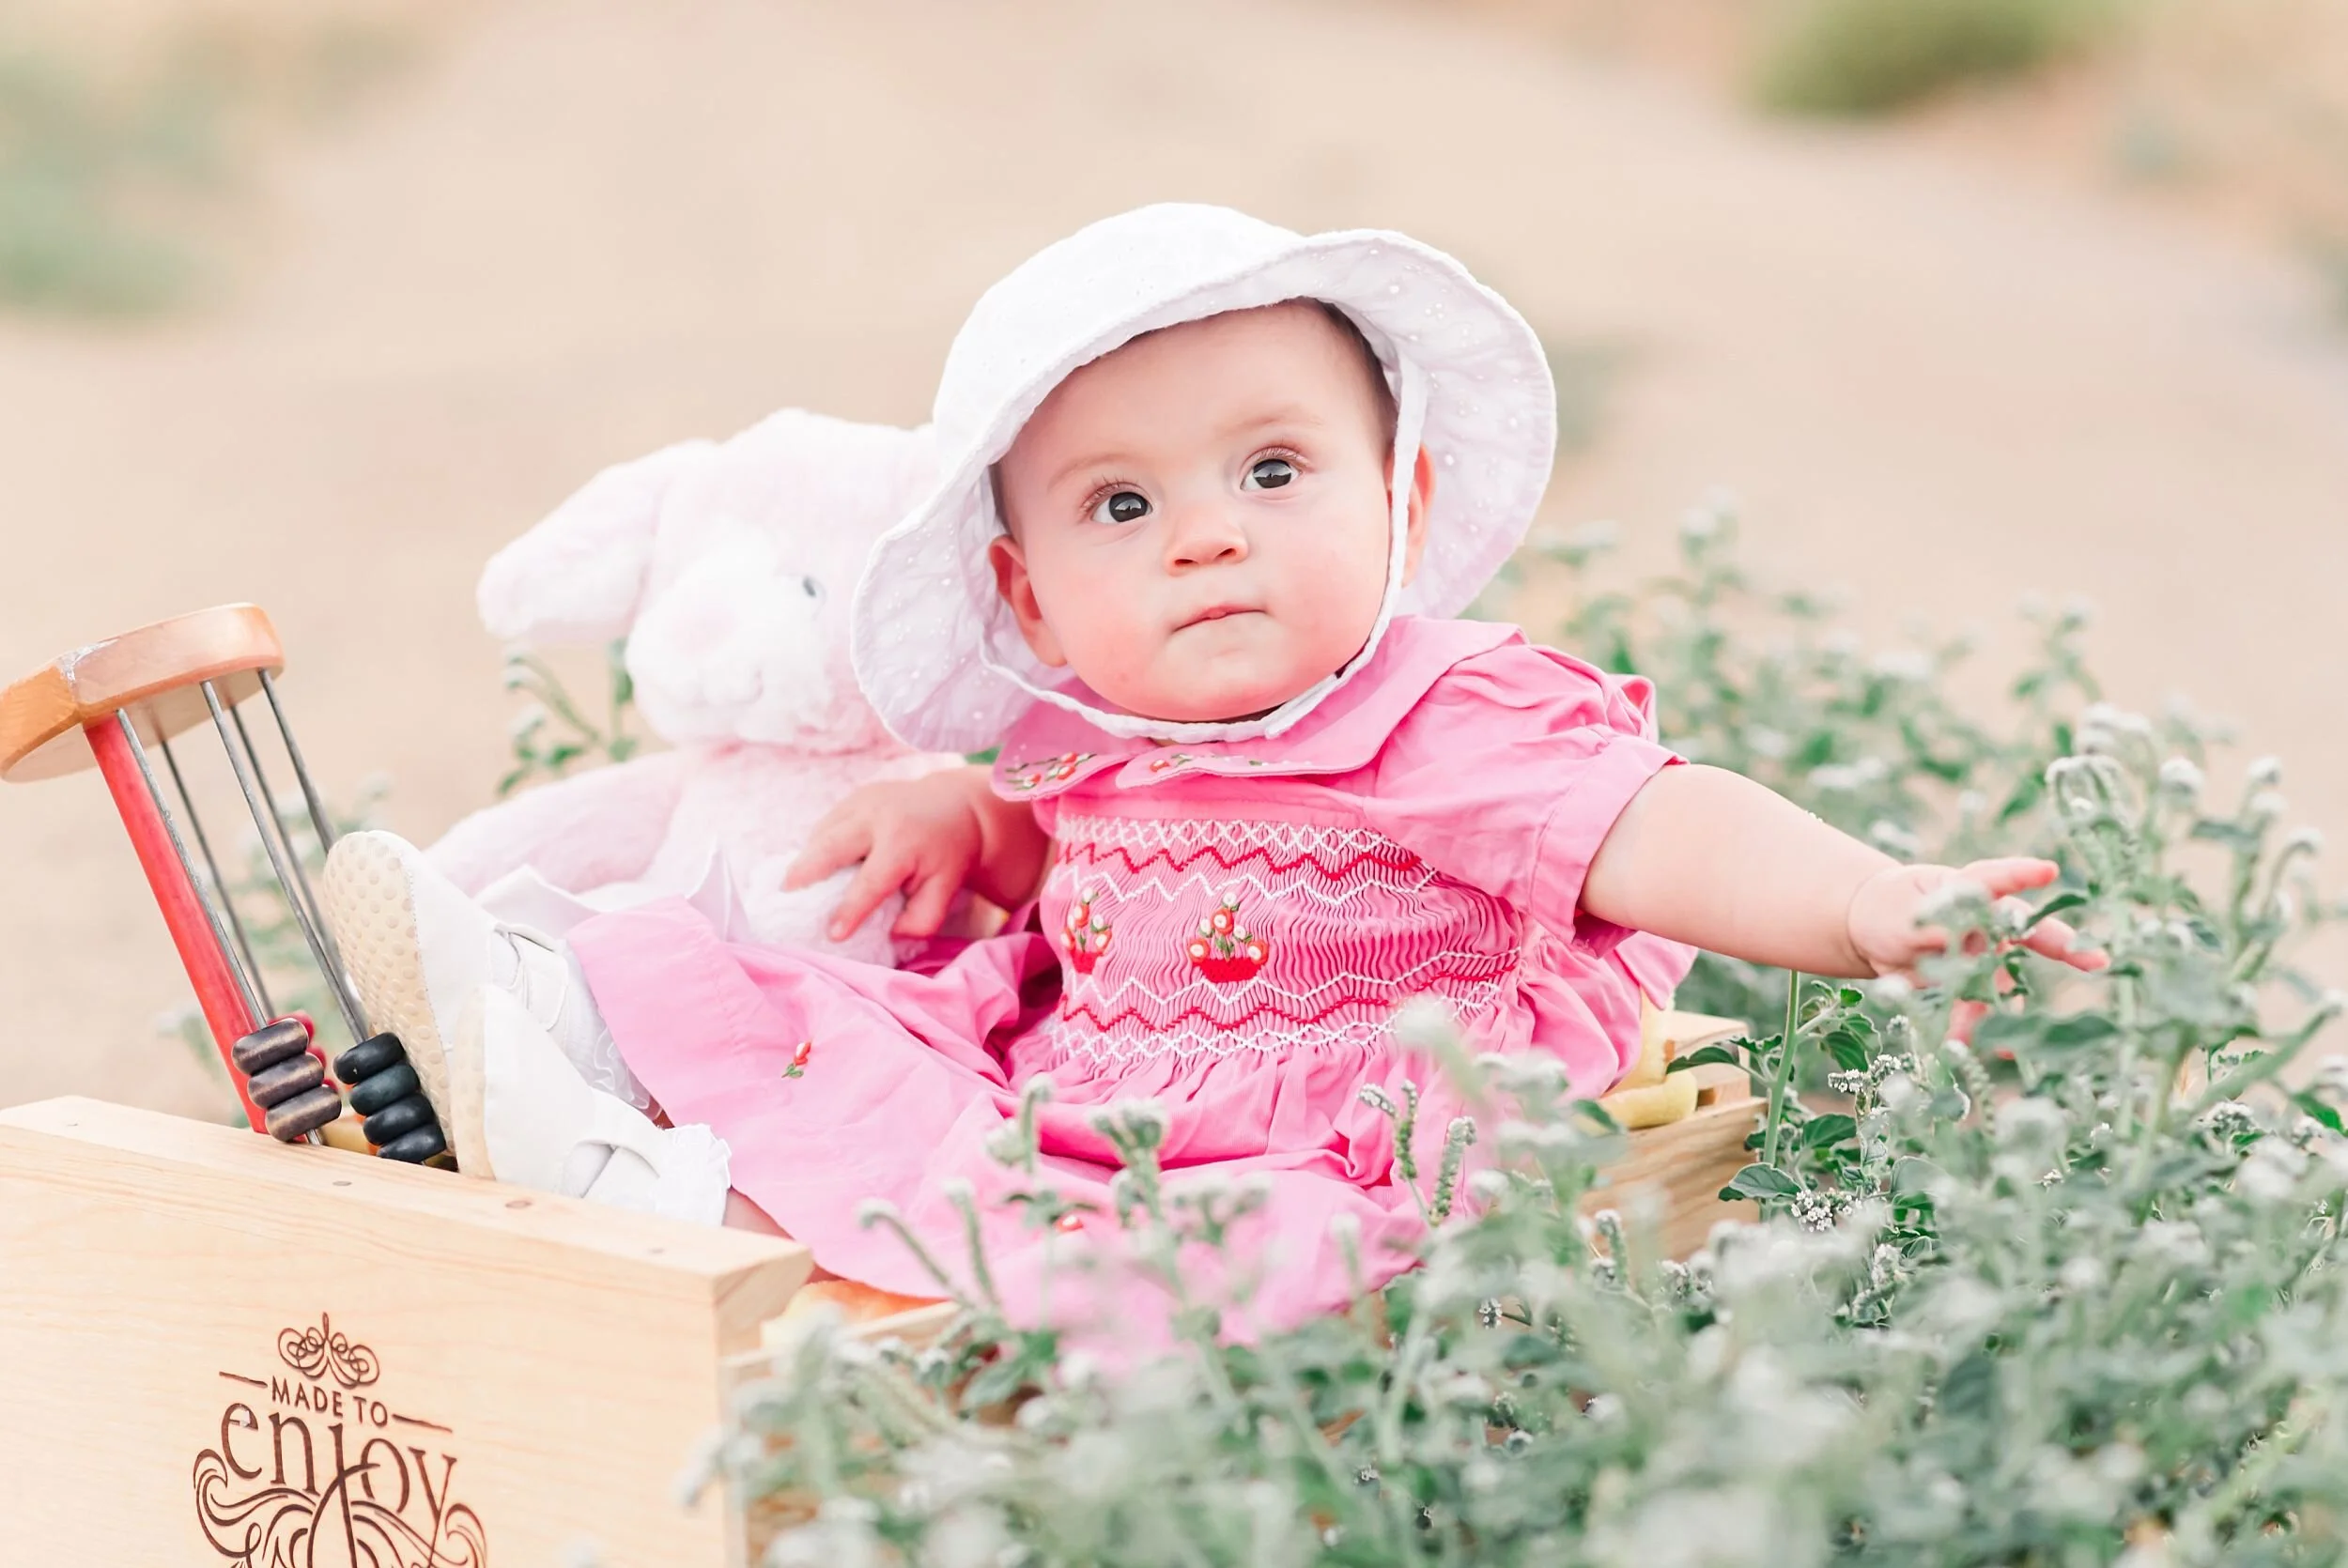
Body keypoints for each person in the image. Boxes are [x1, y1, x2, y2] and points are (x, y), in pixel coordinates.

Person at [321, 204, 2098, 1338]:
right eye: (1121, 505)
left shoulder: (1443, 719)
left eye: (1272, 470)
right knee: (785, 990)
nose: (1203, 542)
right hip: (1080, 1075)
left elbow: (1658, 823)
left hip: (1315, 1129)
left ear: (1399, 503)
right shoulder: (1096, 738)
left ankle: (671, 1176)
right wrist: (982, 821)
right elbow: (1089, 845)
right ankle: (586, 1054)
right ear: (1030, 596)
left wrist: (1873, 902)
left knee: (1138, 1255)